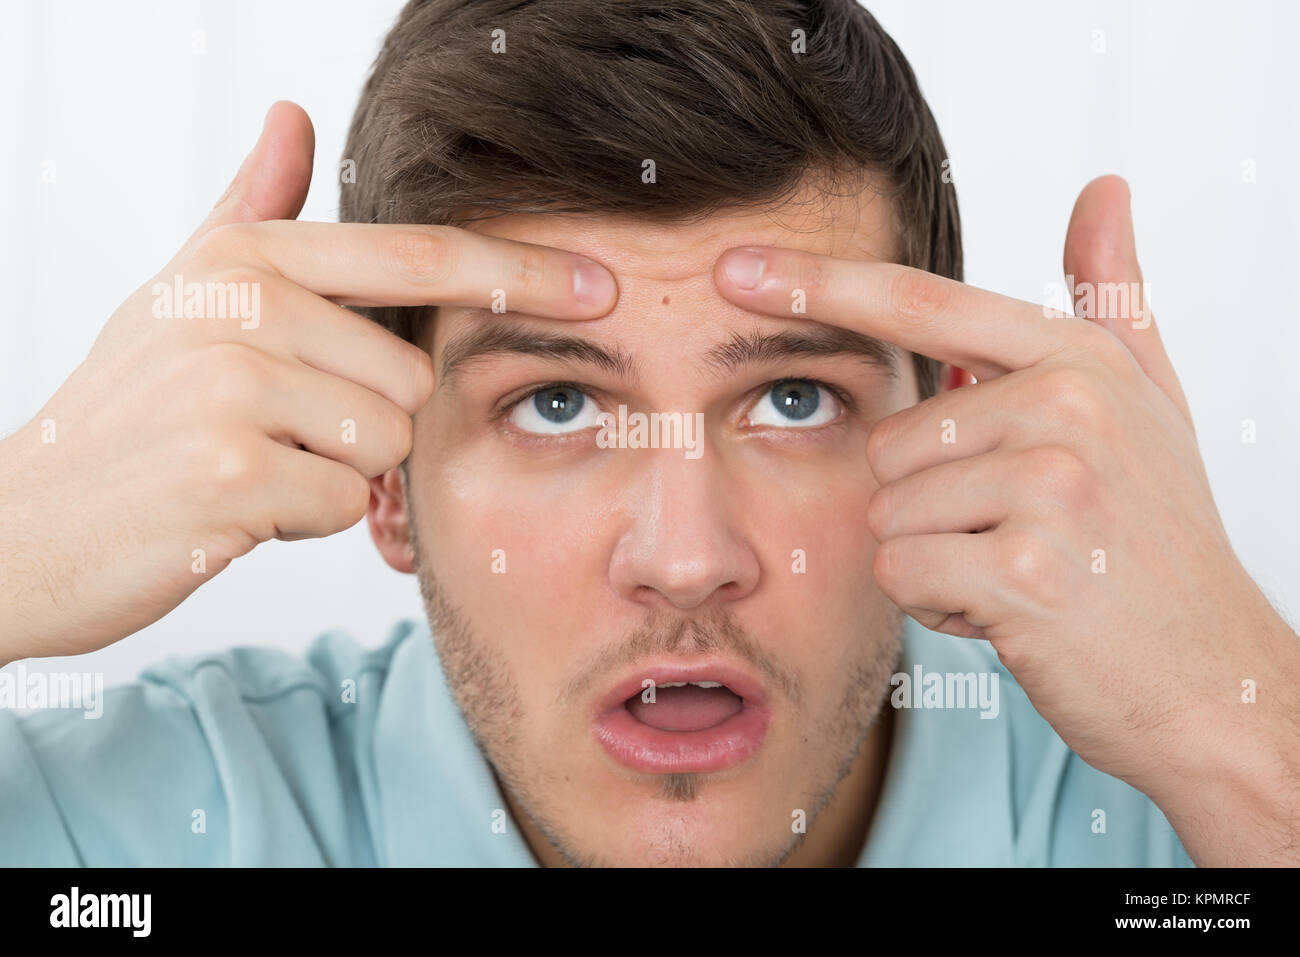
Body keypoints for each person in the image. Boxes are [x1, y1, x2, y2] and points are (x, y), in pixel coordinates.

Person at [1, 0, 1296, 867]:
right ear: (386, 479)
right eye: (556, 403)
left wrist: (1248, 728)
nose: (686, 558)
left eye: (795, 398)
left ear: (949, 428)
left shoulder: (1181, 819)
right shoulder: (117, 829)